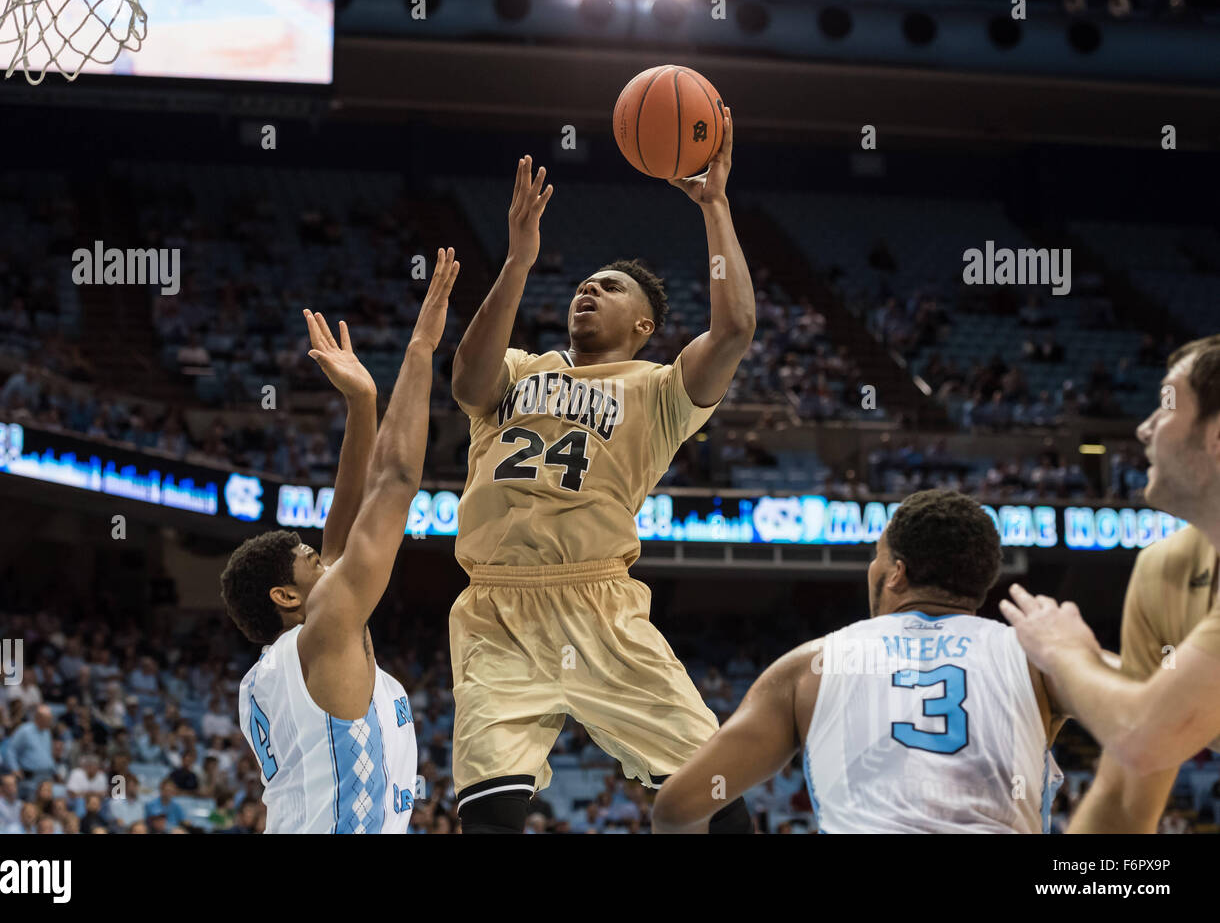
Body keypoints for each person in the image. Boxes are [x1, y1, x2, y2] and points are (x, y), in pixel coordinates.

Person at [448, 107, 757, 833]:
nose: (589, 290)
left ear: (645, 325)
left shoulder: (659, 389)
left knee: (714, 798)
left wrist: (715, 207)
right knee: (488, 815)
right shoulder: (522, 366)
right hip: (494, 607)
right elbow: (465, 382)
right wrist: (520, 258)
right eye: (585, 283)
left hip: (601, 604)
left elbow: (737, 326)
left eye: (611, 287)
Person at [652, 490, 1067, 833]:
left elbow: (677, 806)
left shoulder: (809, 667)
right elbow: (1133, 713)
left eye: (878, 556)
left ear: (896, 574)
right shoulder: (1038, 654)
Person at [224, 249, 458, 833]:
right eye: (308, 560)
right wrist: (421, 351)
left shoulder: (281, 665)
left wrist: (362, 405)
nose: (324, 558)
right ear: (285, 596)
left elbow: (345, 523)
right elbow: (397, 483)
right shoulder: (325, 629)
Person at [1001, 336, 1220, 808]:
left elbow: (1144, 737)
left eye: (1166, 407)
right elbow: (1125, 791)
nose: (1143, 429)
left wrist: (1064, 653)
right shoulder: (1164, 567)